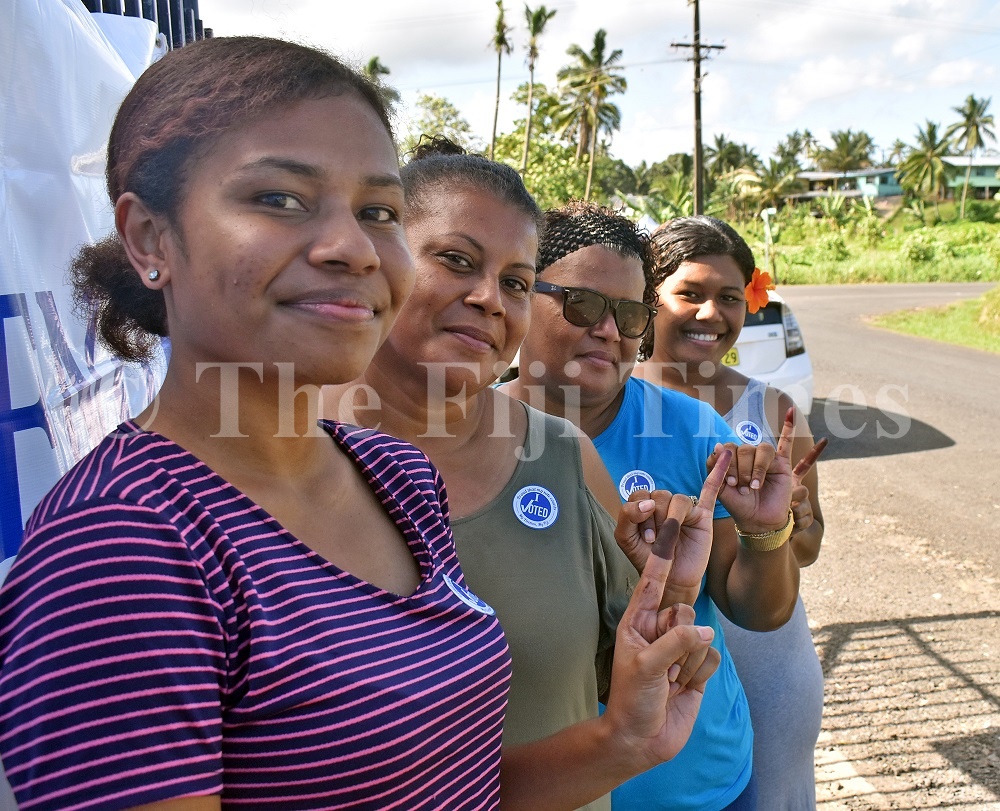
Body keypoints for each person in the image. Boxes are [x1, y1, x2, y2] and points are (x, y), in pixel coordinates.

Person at [0, 37, 722, 811]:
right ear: (150, 237)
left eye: (377, 212)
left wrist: (623, 738)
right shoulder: (121, 546)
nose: (353, 248)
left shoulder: (393, 475)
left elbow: (449, 785)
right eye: (280, 198)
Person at [323, 138, 729, 811]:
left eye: (514, 281)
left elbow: (614, 677)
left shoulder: (561, 455)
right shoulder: (276, 458)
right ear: (379, 256)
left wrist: (672, 596)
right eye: (456, 260)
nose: (489, 298)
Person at [502, 202, 809, 811]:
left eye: (630, 313)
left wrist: (766, 531)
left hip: (697, 782)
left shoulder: (693, 428)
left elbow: (759, 611)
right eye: (581, 303)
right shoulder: (463, 437)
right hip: (539, 786)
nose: (609, 330)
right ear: (520, 294)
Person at [636, 214, 827, 811]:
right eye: (689, 293)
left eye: (728, 297)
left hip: (767, 659)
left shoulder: (771, 409)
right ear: (648, 298)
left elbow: (810, 547)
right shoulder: (605, 404)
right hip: (657, 665)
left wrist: (784, 521)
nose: (710, 313)